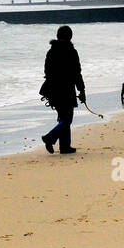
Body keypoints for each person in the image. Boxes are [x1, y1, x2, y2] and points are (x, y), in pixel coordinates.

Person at [39, 25, 86, 155]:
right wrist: (82, 90)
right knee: (67, 118)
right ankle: (50, 137)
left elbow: (46, 71)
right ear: (70, 37)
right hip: (66, 88)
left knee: (63, 117)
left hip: (53, 88)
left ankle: (65, 147)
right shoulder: (71, 51)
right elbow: (77, 73)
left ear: (58, 36)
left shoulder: (51, 51)